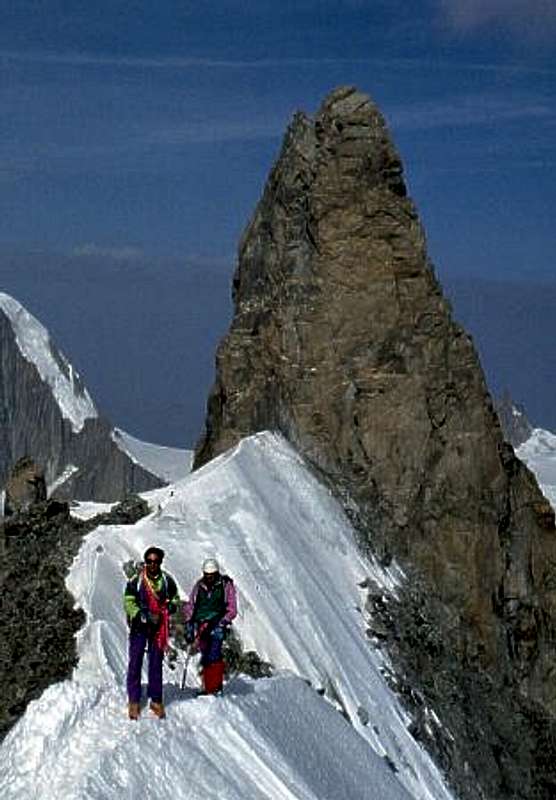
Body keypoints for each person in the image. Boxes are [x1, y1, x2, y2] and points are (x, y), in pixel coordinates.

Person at [124, 546, 179, 719]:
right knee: (135, 662)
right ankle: (134, 700)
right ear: (145, 562)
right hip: (140, 627)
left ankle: (156, 700)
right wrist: (140, 615)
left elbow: (175, 597)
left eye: (156, 561)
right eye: (149, 561)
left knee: (155, 663)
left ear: (160, 562)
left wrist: (171, 606)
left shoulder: (167, 581)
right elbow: (128, 601)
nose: (152, 564)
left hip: (158, 628)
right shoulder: (137, 581)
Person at [183, 558, 237, 695]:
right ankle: (207, 685)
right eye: (206, 575)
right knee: (206, 655)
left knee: (214, 654)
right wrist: (189, 622)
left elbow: (232, 608)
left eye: (211, 575)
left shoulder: (225, 586)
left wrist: (223, 622)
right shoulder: (199, 586)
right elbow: (191, 605)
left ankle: (214, 687)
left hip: (217, 624)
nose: (209, 578)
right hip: (202, 626)